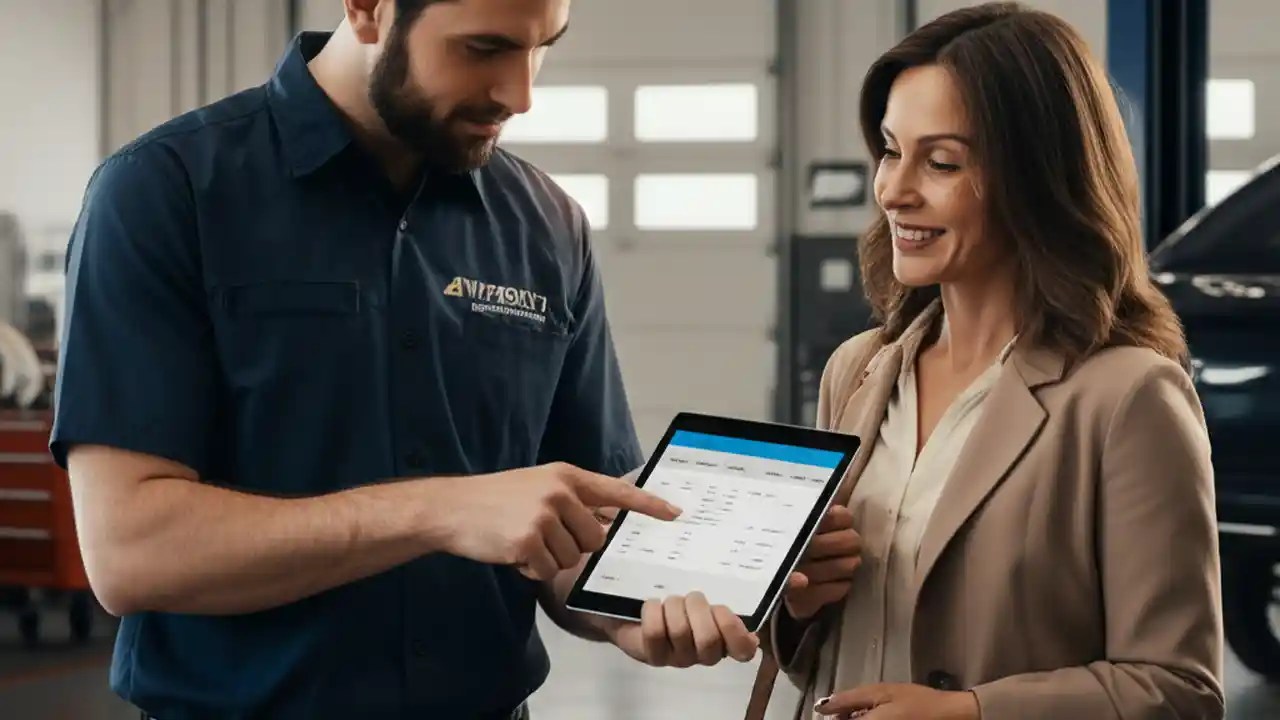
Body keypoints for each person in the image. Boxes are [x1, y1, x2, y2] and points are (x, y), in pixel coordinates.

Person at [51, 0, 860, 717]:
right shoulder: (165, 193)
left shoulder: (547, 226)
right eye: (484, 48)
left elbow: (572, 532)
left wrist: (634, 614)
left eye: (543, 47)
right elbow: (131, 552)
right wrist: (439, 510)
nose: (521, 93)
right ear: (368, 9)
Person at [757, 3, 1225, 720]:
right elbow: (828, 645)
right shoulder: (856, 371)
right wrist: (799, 601)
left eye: (941, 162)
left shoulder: (1129, 398)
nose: (894, 190)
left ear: (1039, 177)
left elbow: (1178, 690)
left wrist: (969, 712)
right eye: (890, 150)